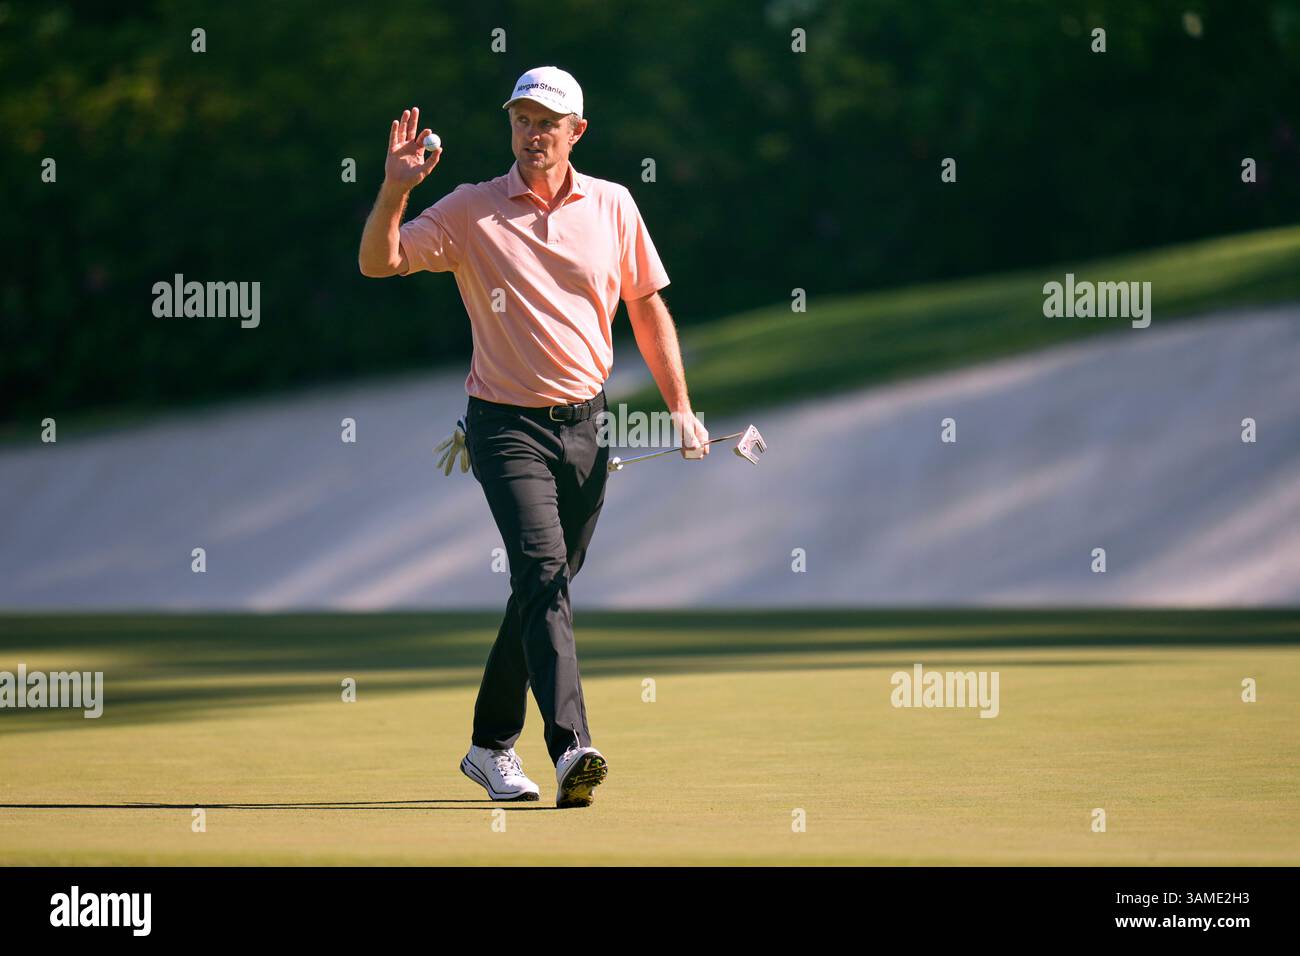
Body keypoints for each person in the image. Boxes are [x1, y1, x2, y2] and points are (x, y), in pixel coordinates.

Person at [358, 66, 709, 808]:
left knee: (543, 587)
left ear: (577, 131)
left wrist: (680, 406)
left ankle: (488, 748)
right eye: (522, 119)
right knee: (544, 574)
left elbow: (646, 306)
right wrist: (395, 189)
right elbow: (378, 262)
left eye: (548, 122)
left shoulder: (613, 204)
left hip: (588, 425)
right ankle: (571, 747)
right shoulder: (471, 208)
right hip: (504, 426)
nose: (533, 133)